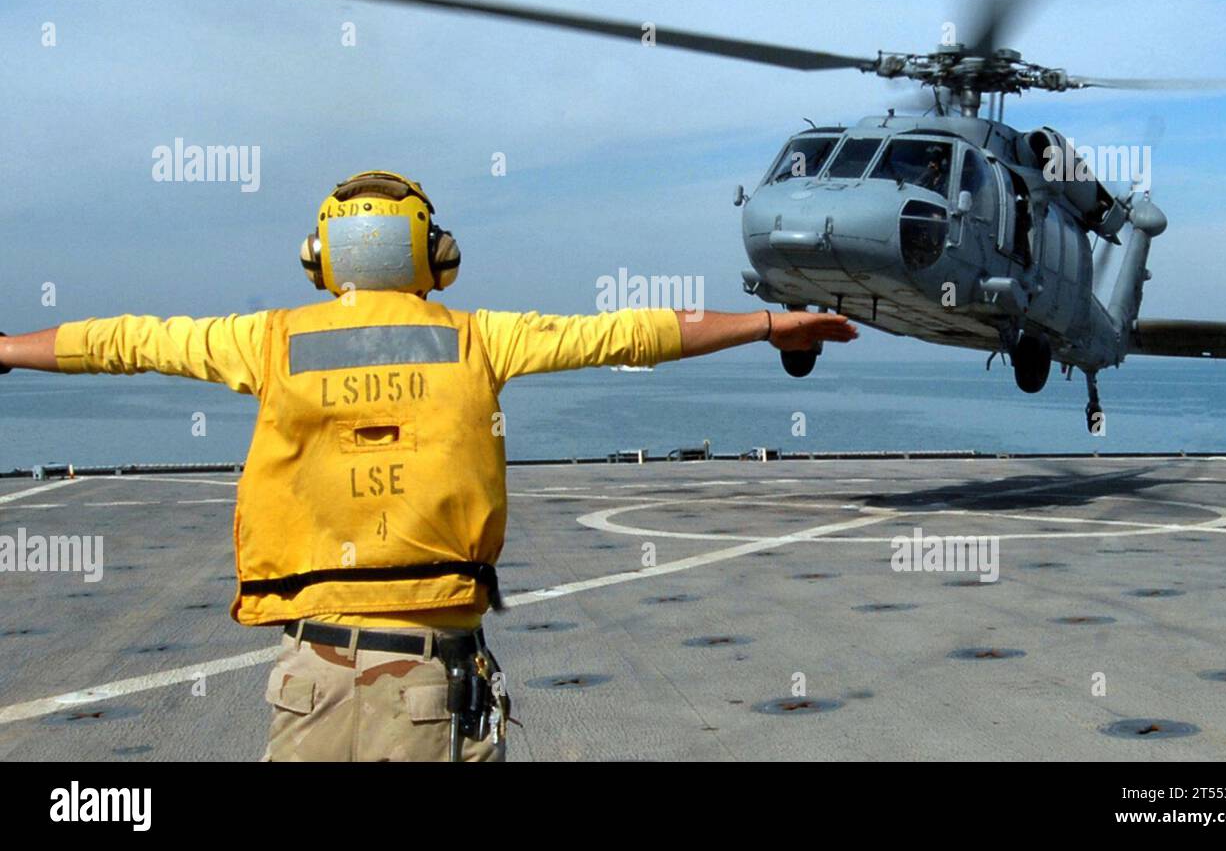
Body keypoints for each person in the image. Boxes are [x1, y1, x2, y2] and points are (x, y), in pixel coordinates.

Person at [0, 170, 857, 761]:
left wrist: (7, 349)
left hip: (306, 680)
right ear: (432, 255)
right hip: (427, 683)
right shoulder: (478, 337)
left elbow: (120, 341)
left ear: (322, 256)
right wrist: (774, 326)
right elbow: (635, 332)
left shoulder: (265, 341)